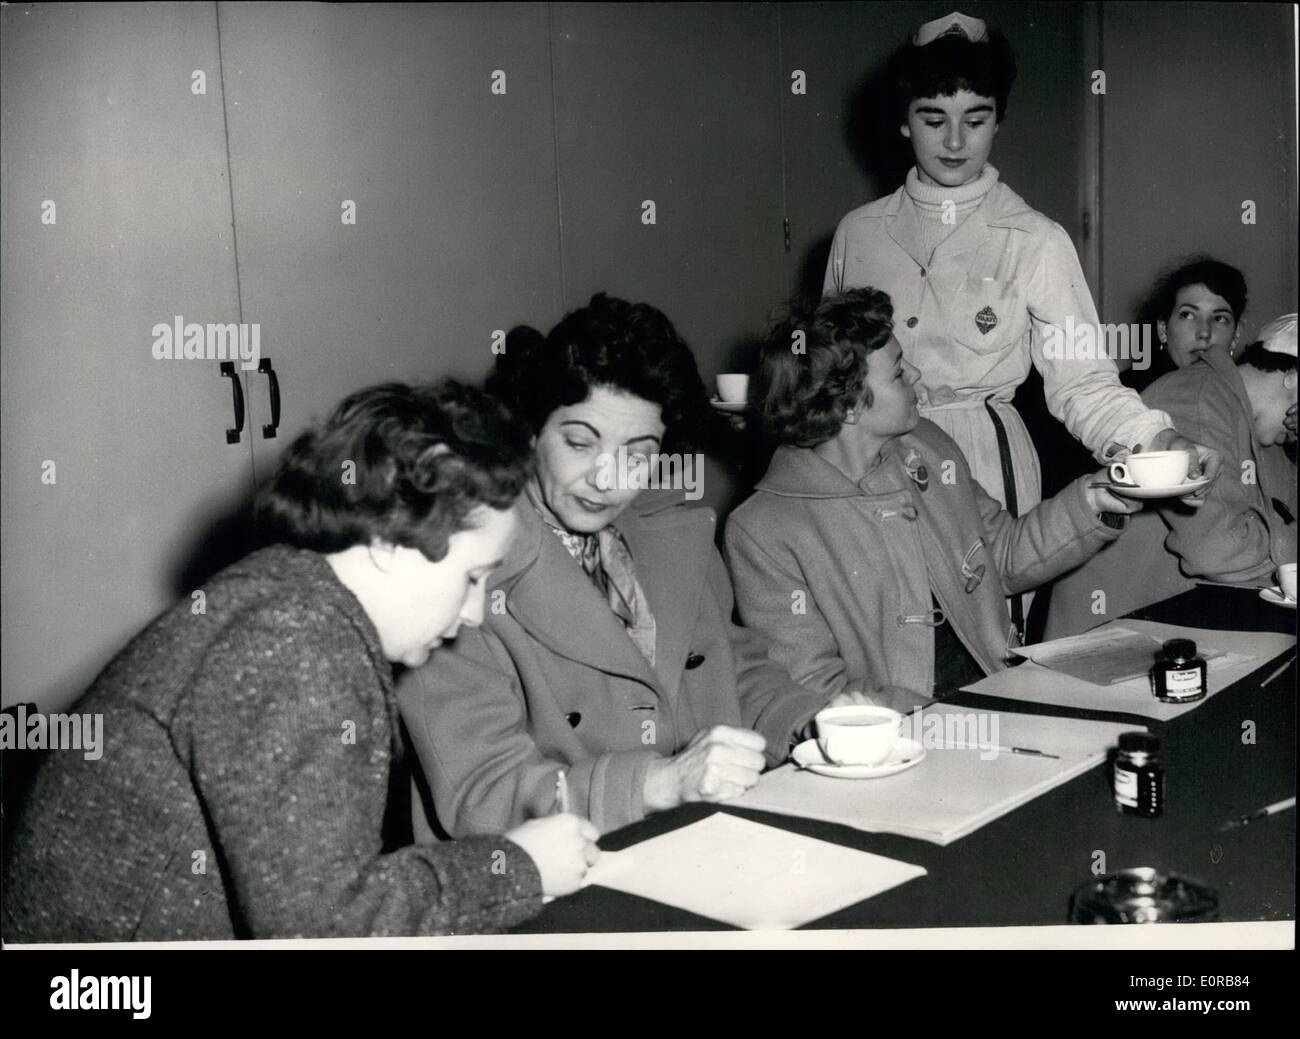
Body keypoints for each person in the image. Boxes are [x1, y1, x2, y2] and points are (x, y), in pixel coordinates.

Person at [2, 382, 599, 942]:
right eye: (471, 577)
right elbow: (326, 932)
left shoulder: (291, 597)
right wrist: (518, 867)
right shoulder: (296, 646)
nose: (474, 612)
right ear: (391, 543)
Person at [397, 294, 870, 838]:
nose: (609, 477)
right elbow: (482, 794)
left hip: (701, 841)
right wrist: (656, 783)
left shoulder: (677, 535)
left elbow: (737, 673)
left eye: (639, 451)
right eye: (580, 442)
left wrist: (811, 722)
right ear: (528, 431)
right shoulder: (459, 574)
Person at [821, 12, 1221, 626]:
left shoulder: (1035, 239)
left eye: (975, 120)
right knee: (881, 633)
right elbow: (828, 373)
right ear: (904, 121)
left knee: (984, 637)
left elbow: (1085, 383)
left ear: (998, 121)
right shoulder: (859, 232)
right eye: (934, 119)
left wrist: (1160, 443)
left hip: (985, 461)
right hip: (871, 457)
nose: (955, 142)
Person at [724, 289, 1139, 701]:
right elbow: (812, 685)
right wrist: (934, 720)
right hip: (893, 738)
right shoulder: (763, 529)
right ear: (848, 407)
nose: (918, 377)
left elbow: (1001, 555)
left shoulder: (927, 446)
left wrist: (1092, 501)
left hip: (997, 692)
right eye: (900, 372)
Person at [1047, 342, 1298, 637]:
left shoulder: (1266, 432)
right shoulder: (1197, 397)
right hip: (1105, 636)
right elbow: (1219, 551)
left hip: (1164, 631)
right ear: (1293, 375)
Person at [1123, 257, 1248, 392]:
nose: (1204, 332)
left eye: (1219, 318)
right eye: (1187, 315)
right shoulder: (1125, 396)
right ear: (1163, 330)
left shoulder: (1248, 396)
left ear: (1236, 334)